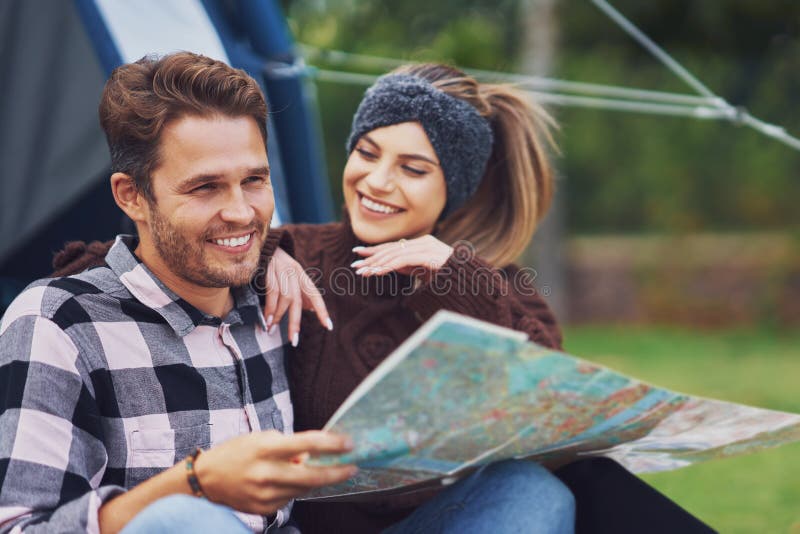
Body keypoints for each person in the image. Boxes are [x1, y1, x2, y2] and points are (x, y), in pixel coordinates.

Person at [1, 53, 576, 534]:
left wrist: (452, 276)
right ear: (132, 197)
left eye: (256, 180)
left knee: (532, 493)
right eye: (205, 187)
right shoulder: (66, 320)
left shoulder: (260, 287)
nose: (240, 213)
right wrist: (192, 484)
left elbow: (548, 379)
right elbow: (139, 266)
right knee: (183, 520)